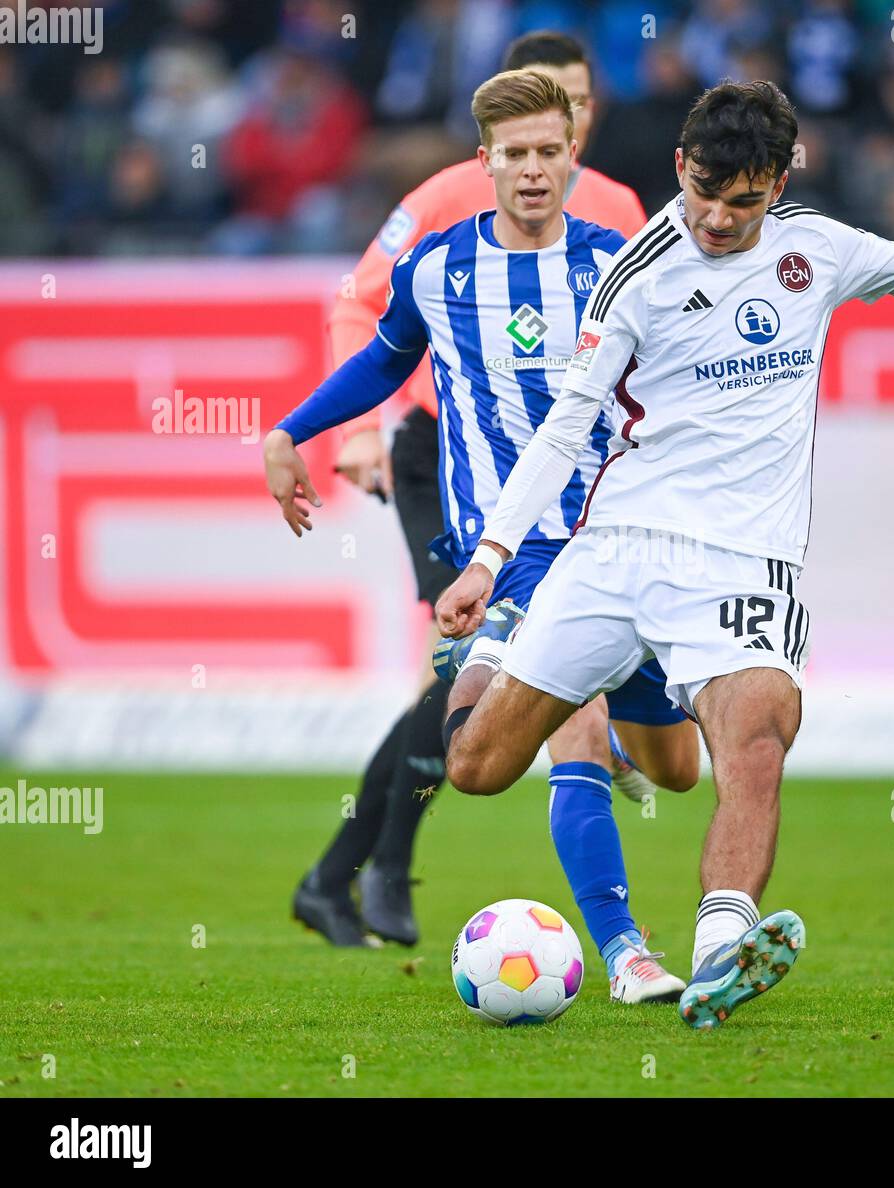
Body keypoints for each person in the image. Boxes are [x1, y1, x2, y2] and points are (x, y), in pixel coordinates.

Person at [432, 80, 894, 1030]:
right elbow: (567, 431)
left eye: (747, 201)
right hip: (617, 548)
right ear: (680, 168)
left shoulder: (815, 248)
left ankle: (720, 956)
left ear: (777, 183)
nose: (723, 221)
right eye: (708, 197)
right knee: (477, 768)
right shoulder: (635, 277)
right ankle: (482, 657)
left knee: (759, 730)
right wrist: (488, 562)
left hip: (740, 561)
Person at [264, 68, 700, 1004]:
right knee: (570, 728)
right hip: (517, 550)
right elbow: (382, 359)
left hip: (629, 538)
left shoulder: (619, 265)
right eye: (516, 155)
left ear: (573, 156)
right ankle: (627, 955)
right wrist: (292, 431)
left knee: (680, 767)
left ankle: (566, 722)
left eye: (550, 152)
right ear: (485, 162)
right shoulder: (437, 267)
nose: (534, 170)